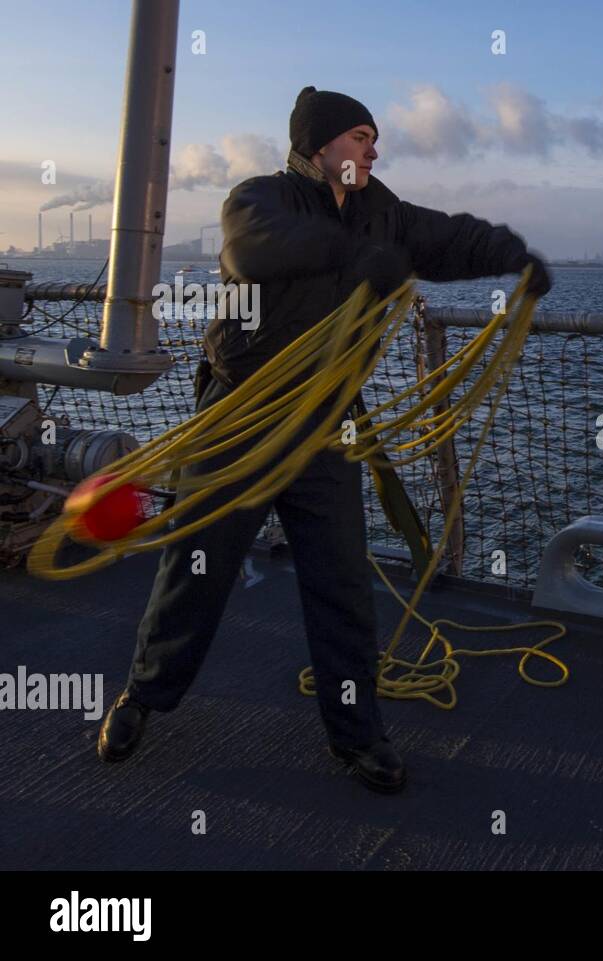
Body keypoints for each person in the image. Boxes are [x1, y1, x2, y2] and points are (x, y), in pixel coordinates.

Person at [97, 86, 552, 794]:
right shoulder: (259, 197)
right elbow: (253, 250)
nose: (374, 150)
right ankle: (142, 697)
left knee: (341, 580)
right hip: (239, 416)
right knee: (195, 567)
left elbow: (447, 236)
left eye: (374, 139)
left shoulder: (383, 211)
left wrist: (515, 255)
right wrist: (352, 256)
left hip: (329, 420)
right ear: (320, 146)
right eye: (361, 137)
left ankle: (358, 733)